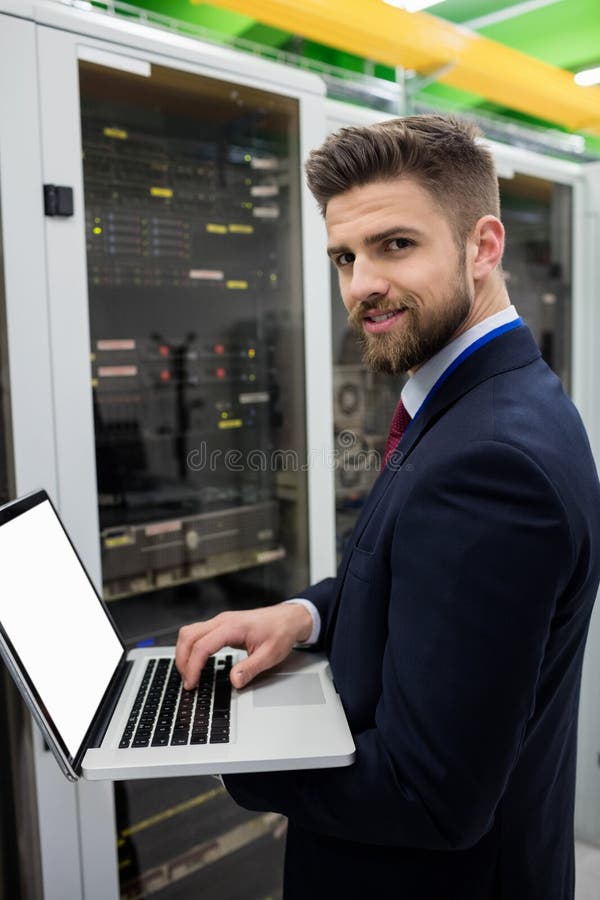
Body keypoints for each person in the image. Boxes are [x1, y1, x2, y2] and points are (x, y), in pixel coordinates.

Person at [176, 115, 600, 900]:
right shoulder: (489, 402)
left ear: (483, 246)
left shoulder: (490, 460)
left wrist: (219, 748)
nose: (360, 283)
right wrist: (303, 616)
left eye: (395, 245)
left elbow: (430, 797)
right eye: (345, 256)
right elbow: (424, 585)